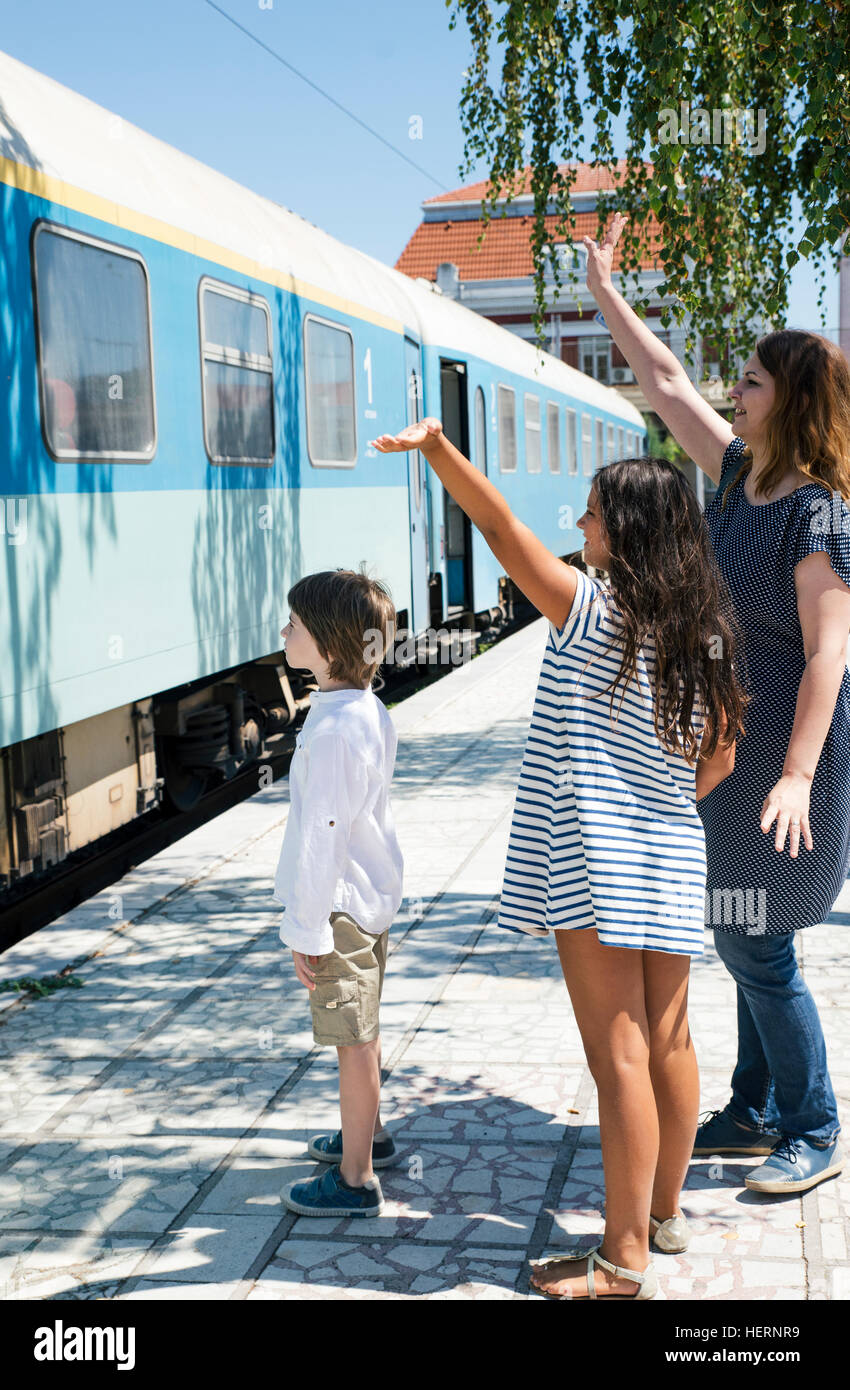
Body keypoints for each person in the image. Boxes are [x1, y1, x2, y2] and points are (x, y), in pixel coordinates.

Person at [370, 418, 749, 1300]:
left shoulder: (588, 610)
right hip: (671, 857)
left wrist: (437, 450)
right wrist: (658, 808)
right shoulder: (706, 627)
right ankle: (662, 1213)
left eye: (589, 518)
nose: (578, 532)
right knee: (669, 1039)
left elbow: (500, 530)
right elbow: (724, 752)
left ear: (625, 531)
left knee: (616, 1056)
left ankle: (621, 1262)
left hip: (596, 866)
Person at [583, 213, 850, 1203]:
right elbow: (660, 382)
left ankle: (813, 1121)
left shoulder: (815, 509)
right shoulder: (738, 474)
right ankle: (749, 1106)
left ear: (788, 401)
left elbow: (830, 650)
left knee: (755, 943)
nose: (727, 391)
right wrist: (603, 288)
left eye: (746, 380)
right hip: (732, 756)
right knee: (740, 930)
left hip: (786, 760)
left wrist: (792, 775)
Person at [276, 567, 405, 1219]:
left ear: (327, 645)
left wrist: (307, 929)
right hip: (369, 900)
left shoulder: (330, 731)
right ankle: (368, 1138)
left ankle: (354, 1180)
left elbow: (324, 836)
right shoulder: (364, 709)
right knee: (366, 1028)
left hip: (340, 910)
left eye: (293, 623)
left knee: (350, 1041)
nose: (283, 630)